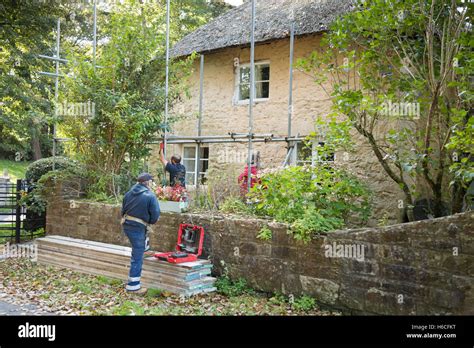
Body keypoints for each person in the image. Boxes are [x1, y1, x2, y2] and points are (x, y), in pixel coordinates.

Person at [121, 173, 160, 295]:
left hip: (127, 225)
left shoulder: (128, 194)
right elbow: (154, 217)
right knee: (136, 257)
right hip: (137, 228)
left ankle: (145, 249)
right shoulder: (150, 196)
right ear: (147, 183)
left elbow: (122, 211)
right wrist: (147, 219)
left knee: (144, 234)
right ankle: (133, 286)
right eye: (151, 182)